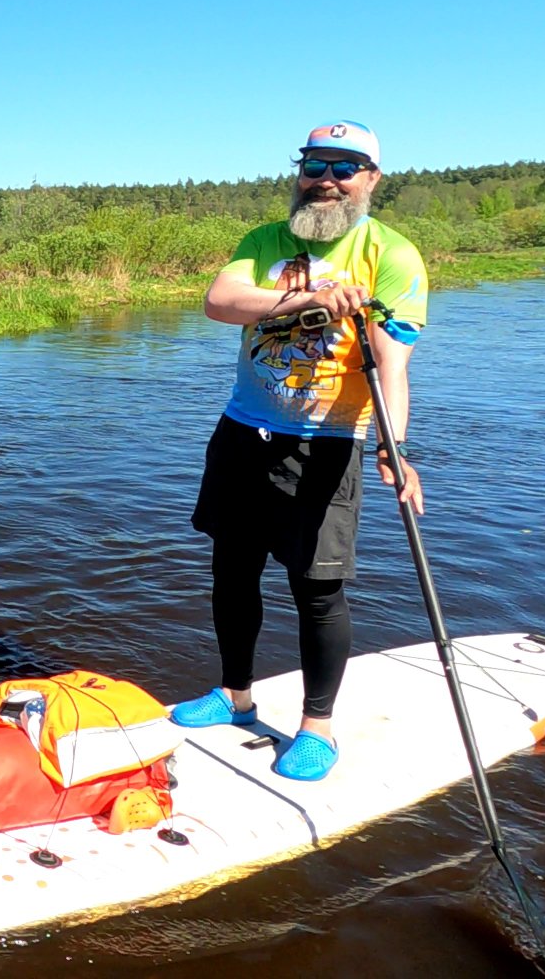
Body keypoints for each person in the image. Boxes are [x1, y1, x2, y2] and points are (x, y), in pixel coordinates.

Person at [170, 120, 429, 782]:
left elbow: (391, 363)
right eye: (316, 164)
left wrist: (394, 446)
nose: (327, 180)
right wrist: (309, 296)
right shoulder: (265, 242)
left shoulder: (391, 255)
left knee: (318, 590)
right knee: (232, 571)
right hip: (242, 433)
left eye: (345, 168)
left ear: (371, 178)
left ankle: (317, 728)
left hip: (327, 444)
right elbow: (220, 301)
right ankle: (235, 695)